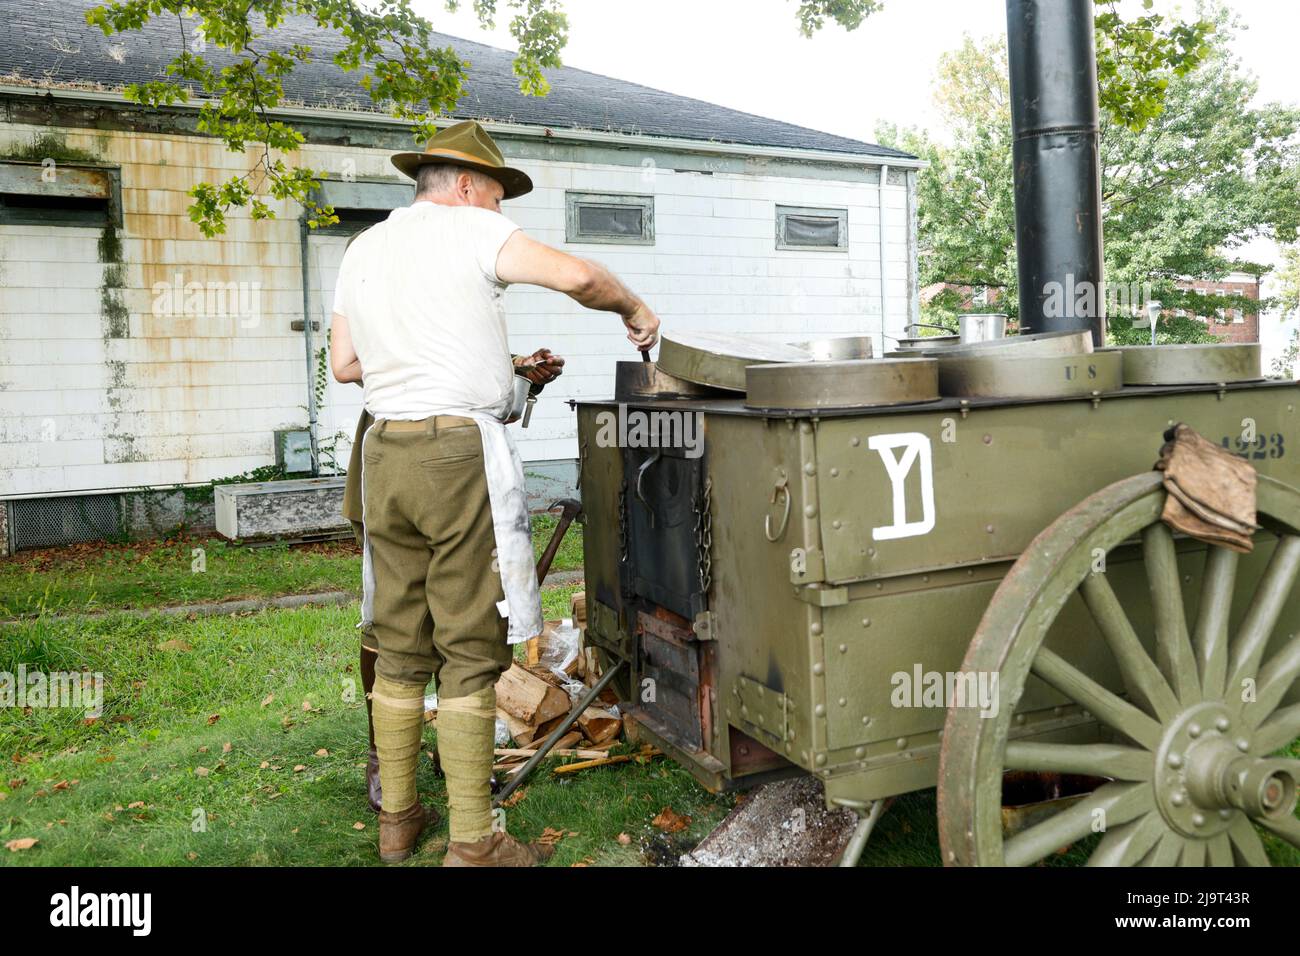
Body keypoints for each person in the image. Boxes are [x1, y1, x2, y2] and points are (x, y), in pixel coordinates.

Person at [330, 119, 658, 865]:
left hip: (384, 450)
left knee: (401, 642)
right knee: (471, 649)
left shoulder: (366, 247)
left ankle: (398, 823)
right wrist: (634, 309)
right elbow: (580, 278)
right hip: (454, 457)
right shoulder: (472, 230)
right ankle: (476, 844)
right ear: (470, 186)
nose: (502, 211)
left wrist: (474, 355)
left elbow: (348, 366)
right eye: (499, 196)